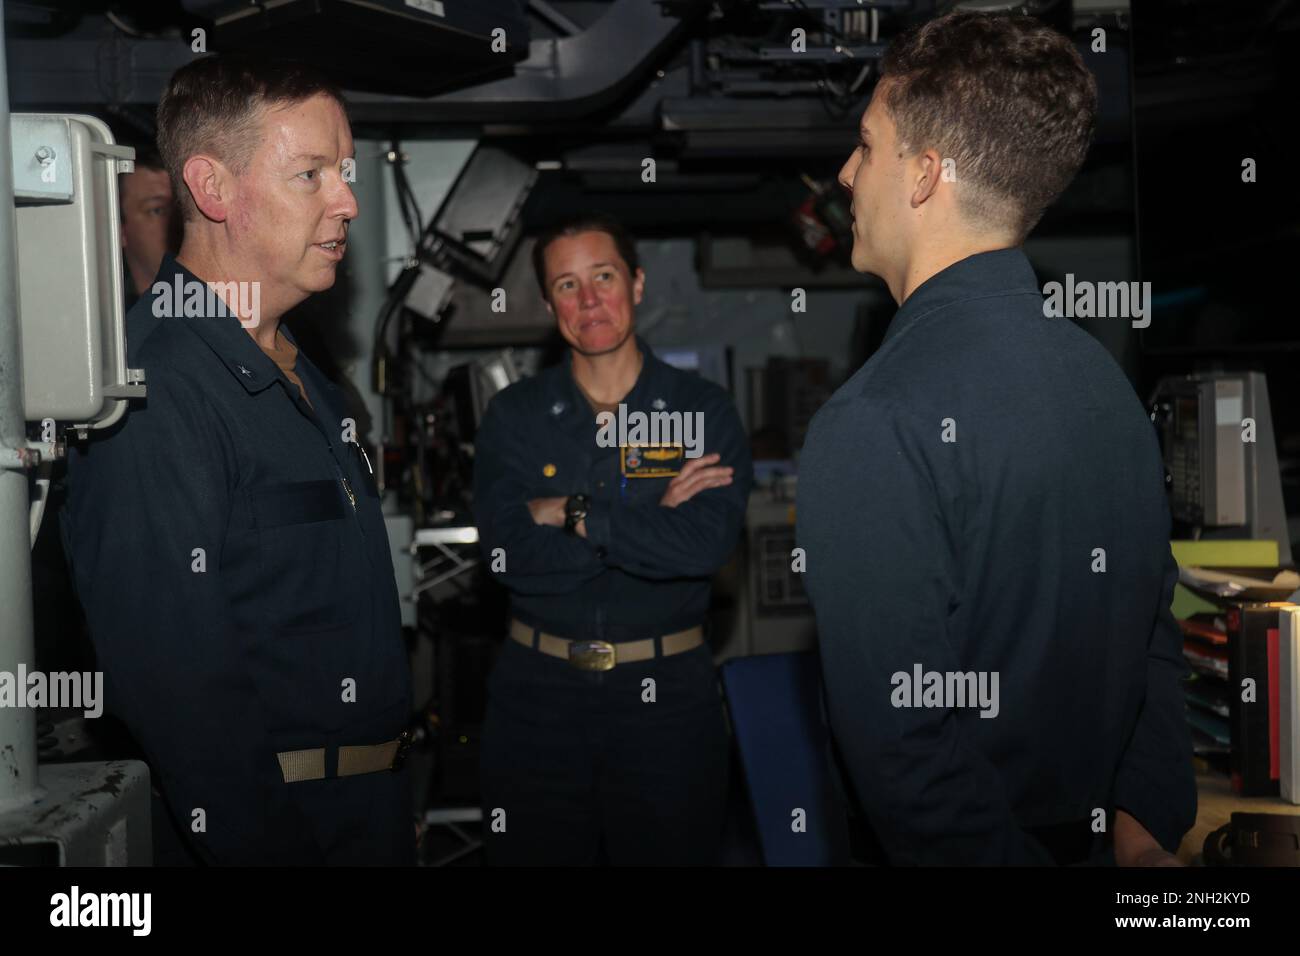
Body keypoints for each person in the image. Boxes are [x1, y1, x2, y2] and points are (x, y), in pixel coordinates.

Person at [796, 11, 1195, 865]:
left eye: (866, 145)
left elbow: (910, 767)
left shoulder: (871, 422)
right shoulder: (1108, 389)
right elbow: (1154, 631)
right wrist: (1143, 825)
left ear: (923, 176)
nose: (845, 171)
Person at [61, 54, 414, 865]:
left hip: (363, 814)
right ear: (214, 190)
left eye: (347, 172)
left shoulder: (301, 374)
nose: (348, 202)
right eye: (311, 174)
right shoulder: (157, 390)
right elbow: (182, 694)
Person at [472, 213, 752, 865]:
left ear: (639, 283)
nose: (589, 300)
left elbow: (703, 546)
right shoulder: (513, 418)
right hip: (537, 702)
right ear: (548, 305)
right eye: (566, 286)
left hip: (666, 705)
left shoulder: (699, 411)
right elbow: (509, 557)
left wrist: (572, 513)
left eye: (604, 276)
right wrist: (652, 520)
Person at [118, 144, 180, 304]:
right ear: (120, 231)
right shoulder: (114, 322)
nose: (176, 221)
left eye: (181, 208)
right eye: (157, 210)